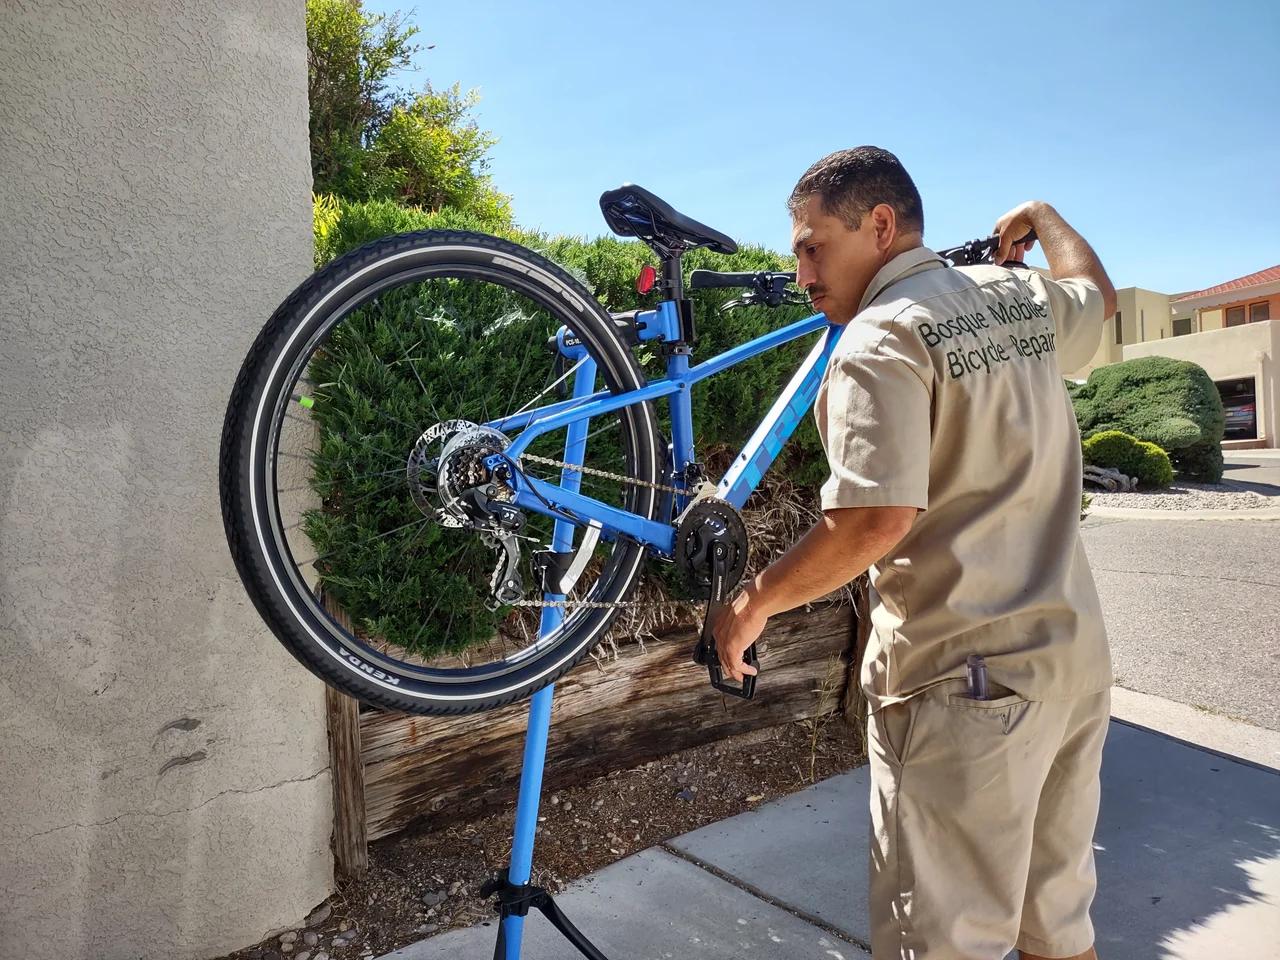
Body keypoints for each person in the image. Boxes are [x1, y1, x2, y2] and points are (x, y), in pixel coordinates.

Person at [710, 146, 1117, 960]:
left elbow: (874, 521)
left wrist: (750, 606)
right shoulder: (1016, 296)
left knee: (937, 944)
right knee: (1057, 927)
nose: (801, 274)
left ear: (881, 226)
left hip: (965, 690)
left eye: (812, 246)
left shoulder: (880, 337)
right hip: (1072, 667)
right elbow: (1098, 300)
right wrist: (1042, 214)